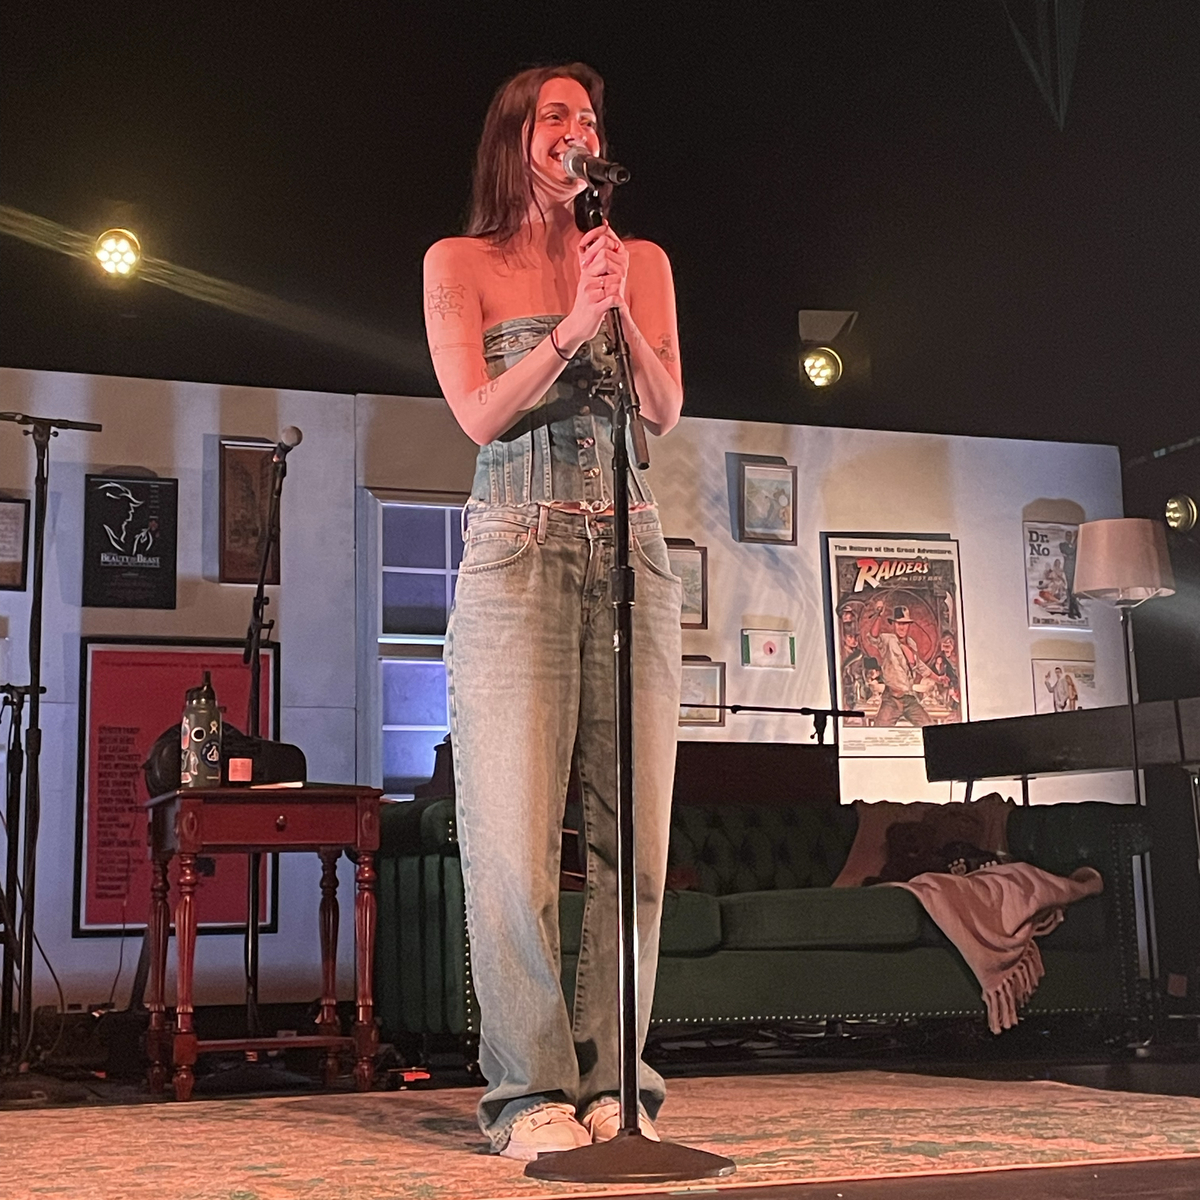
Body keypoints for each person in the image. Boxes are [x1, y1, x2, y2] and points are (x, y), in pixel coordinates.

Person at [422, 63, 684, 1161]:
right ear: (515, 138)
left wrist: (615, 297)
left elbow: (665, 410)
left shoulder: (638, 259)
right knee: (515, 848)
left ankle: (618, 1082)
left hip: (631, 551)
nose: (576, 130)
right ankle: (528, 1093)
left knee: (640, 847)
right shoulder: (459, 262)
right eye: (555, 114)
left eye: (589, 116)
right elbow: (477, 415)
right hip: (517, 554)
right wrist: (574, 323)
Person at [860, 600, 946, 727]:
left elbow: (919, 665)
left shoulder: (911, 643)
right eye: (899, 624)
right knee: (879, 731)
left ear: (909, 625)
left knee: (930, 728)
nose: (902, 627)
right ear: (893, 624)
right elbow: (873, 637)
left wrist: (938, 678)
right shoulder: (888, 640)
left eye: (905, 624)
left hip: (909, 699)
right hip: (891, 700)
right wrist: (879, 615)